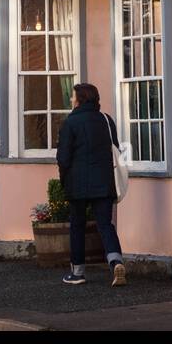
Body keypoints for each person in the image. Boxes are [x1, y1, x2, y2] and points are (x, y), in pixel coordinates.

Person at [56, 83, 126, 286]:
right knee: (105, 224)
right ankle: (115, 262)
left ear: (80, 99)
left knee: (77, 226)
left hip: (77, 183)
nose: (71, 100)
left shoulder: (70, 123)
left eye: (73, 96)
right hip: (104, 181)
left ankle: (77, 272)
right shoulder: (106, 120)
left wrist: (64, 180)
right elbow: (116, 149)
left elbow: (63, 158)